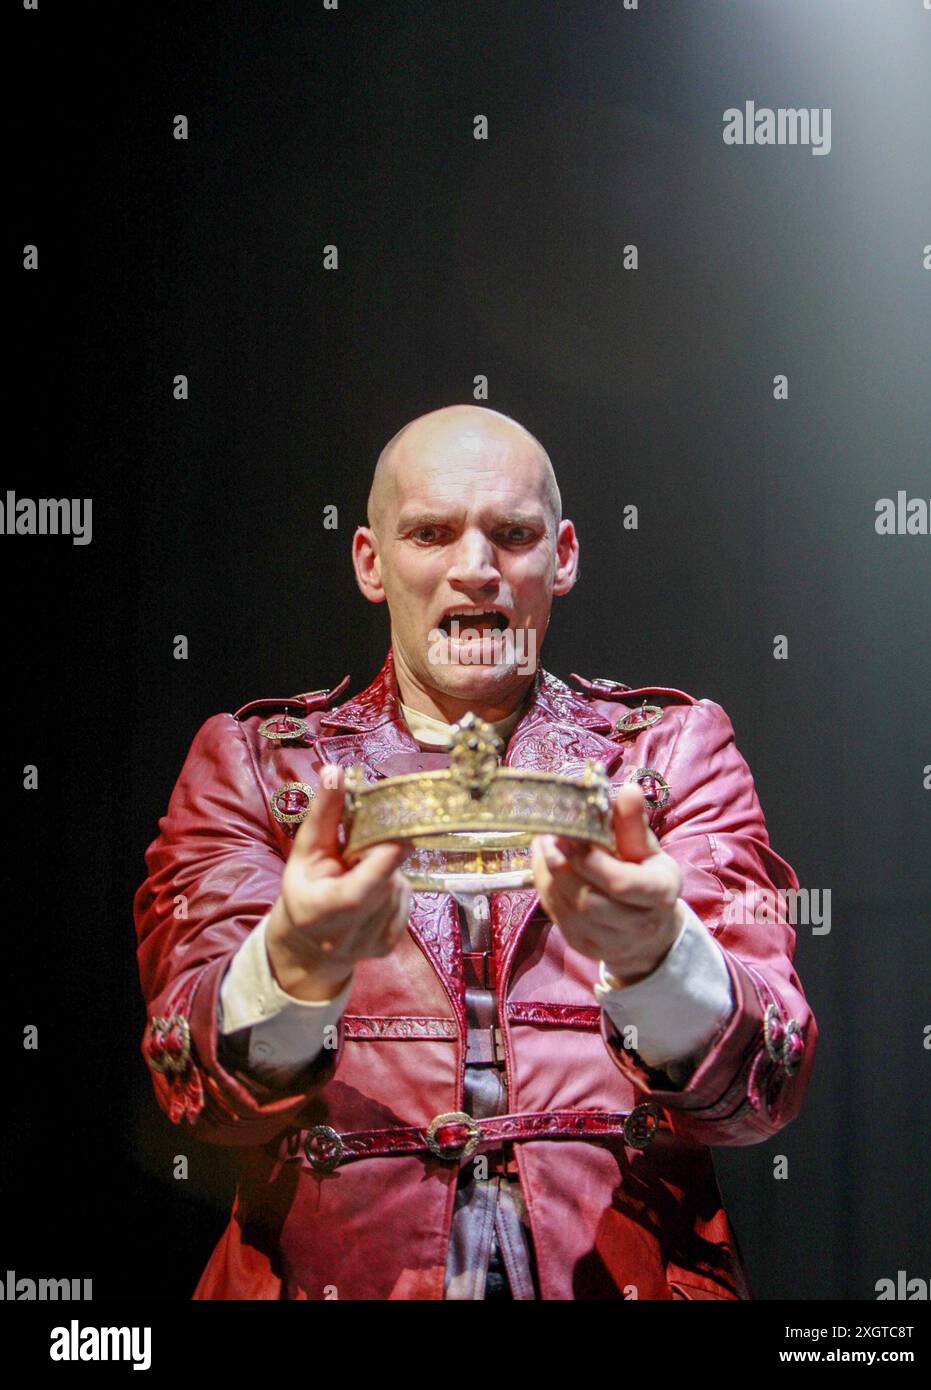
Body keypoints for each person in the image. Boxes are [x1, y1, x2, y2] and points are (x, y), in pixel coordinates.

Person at [134, 404, 816, 1300]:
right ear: (371, 563)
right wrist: (292, 963)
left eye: (512, 534)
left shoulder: (672, 754)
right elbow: (196, 1092)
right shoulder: (258, 764)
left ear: (563, 555)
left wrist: (662, 958)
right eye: (430, 533)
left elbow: (768, 1081)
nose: (475, 569)